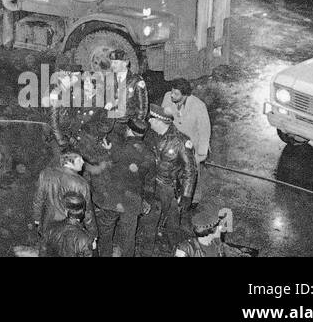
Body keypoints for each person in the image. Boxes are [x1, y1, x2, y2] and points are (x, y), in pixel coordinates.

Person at [88, 120, 153, 257]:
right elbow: (149, 180)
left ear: (129, 130)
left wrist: (108, 150)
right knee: (129, 238)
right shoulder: (149, 154)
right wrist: (146, 200)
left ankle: (105, 254)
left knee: (105, 233)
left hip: (111, 199)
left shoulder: (119, 149)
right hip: (132, 201)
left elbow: (106, 165)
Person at [145, 105, 197, 241]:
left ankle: (174, 249)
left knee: (172, 226)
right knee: (149, 222)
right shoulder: (150, 135)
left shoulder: (181, 141)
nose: (148, 122)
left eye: (150, 120)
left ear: (158, 121)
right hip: (152, 185)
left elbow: (190, 170)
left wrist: (186, 195)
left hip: (171, 189)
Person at [32, 151, 94, 236]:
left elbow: (38, 199)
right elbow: (88, 212)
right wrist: (93, 234)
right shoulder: (81, 183)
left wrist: (37, 219)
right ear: (69, 162)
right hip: (69, 228)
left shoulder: (46, 173)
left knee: (48, 247)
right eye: (79, 160)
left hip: (48, 222)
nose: (83, 162)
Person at [161, 79, 211, 168]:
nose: (172, 95)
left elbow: (204, 133)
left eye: (176, 94)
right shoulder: (167, 97)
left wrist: (200, 156)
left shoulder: (199, 106)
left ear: (185, 95)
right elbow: (163, 120)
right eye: (172, 91)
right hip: (172, 147)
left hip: (190, 148)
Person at [173, 206, 251, 257]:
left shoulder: (217, 245)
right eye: (219, 226)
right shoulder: (186, 248)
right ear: (211, 230)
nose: (221, 229)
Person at [39, 191, 96, 257]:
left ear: (66, 211)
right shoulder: (85, 239)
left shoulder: (50, 229)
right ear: (83, 212)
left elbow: (42, 253)